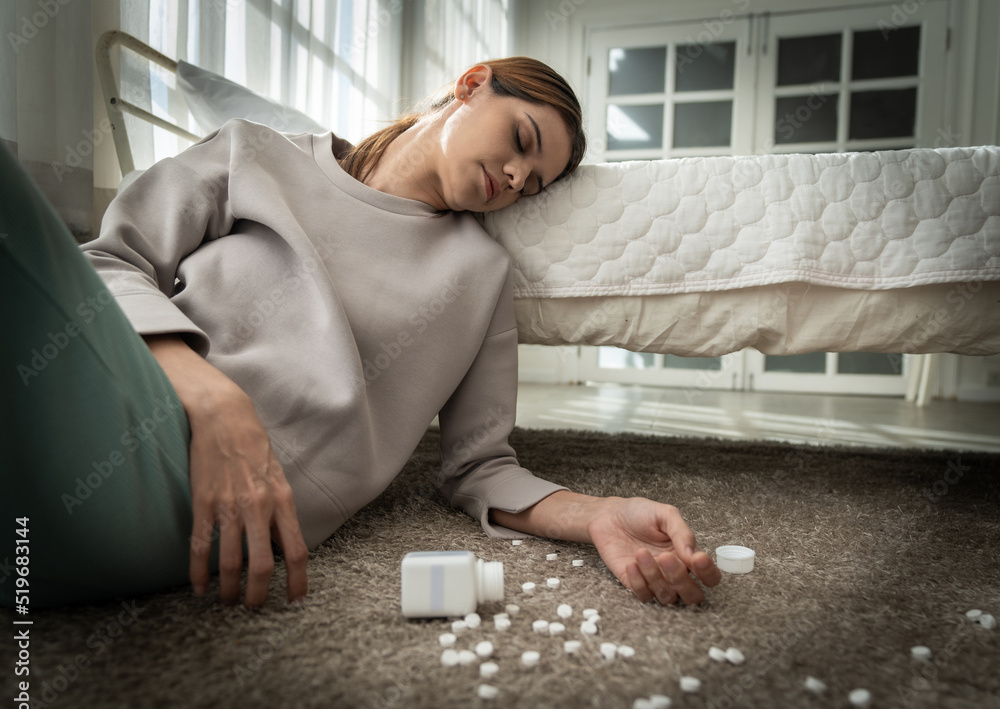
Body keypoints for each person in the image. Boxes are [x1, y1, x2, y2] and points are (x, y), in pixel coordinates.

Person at [0, 57, 720, 612]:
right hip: (113, 395)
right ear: (472, 85)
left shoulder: (480, 275)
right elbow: (108, 263)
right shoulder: (254, 152)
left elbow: (479, 467)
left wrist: (598, 515)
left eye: (532, 182)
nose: (515, 172)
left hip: (188, 509)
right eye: (521, 140)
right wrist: (216, 402)